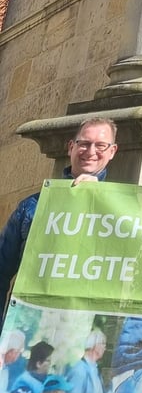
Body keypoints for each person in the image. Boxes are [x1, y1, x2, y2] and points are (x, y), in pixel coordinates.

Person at [0, 118, 118, 319]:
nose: (91, 152)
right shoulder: (32, 206)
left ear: (112, 151)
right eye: (84, 143)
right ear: (71, 147)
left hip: (87, 327)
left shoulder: (123, 209)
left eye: (100, 145)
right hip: (28, 322)